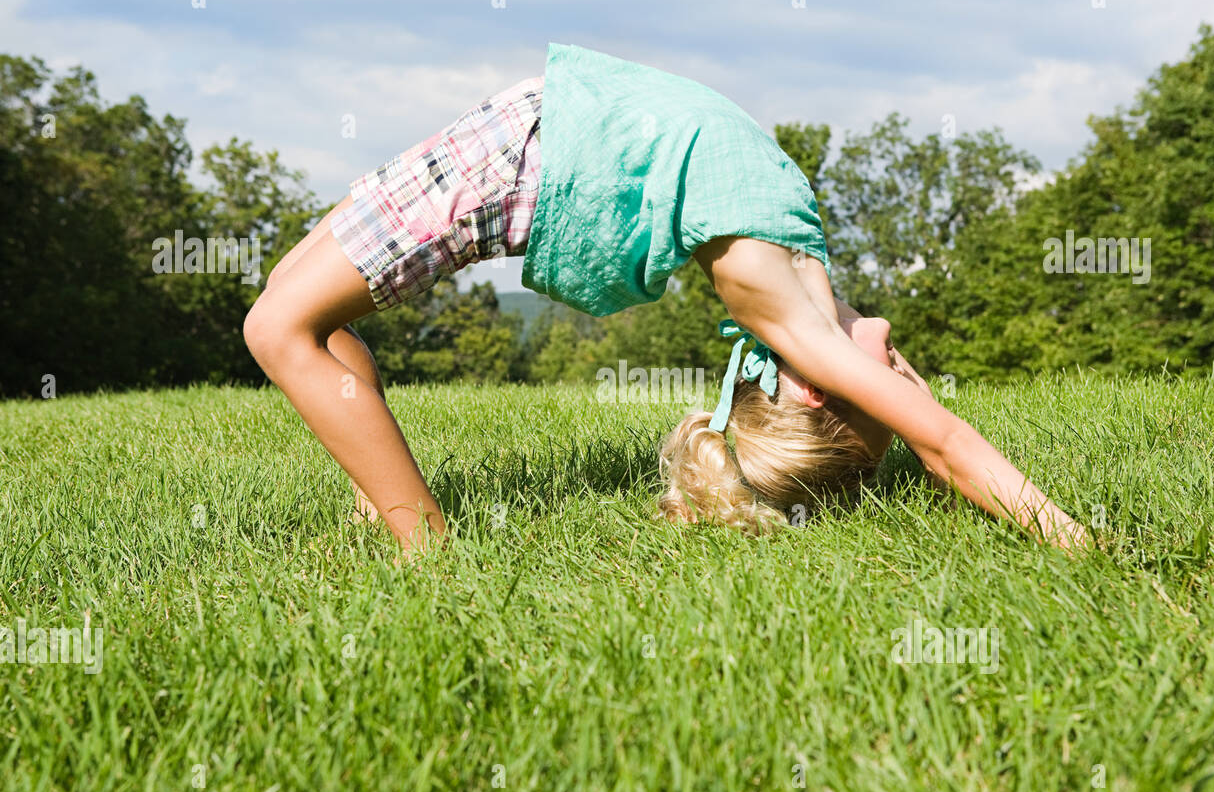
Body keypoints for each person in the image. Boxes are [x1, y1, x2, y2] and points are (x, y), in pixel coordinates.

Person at [242, 43, 1087, 553]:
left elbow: (939, 442)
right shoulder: (808, 274)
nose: (900, 350)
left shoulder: (778, 303)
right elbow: (922, 421)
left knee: (278, 326)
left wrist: (1074, 541)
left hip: (513, 162)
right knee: (298, 302)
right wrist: (898, 407)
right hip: (528, 127)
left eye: (893, 373)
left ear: (815, 387)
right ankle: (375, 492)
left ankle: (422, 549)